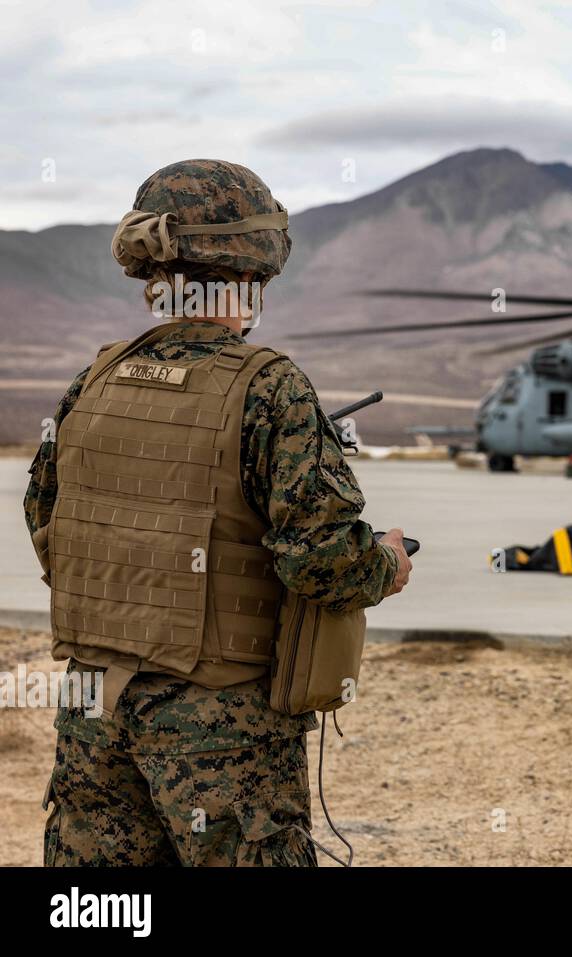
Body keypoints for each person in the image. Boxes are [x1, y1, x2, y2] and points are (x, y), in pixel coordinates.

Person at [25, 159, 413, 866]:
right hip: (220, 729)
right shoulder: (272, 389)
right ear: (247, 272)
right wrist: (384, 561)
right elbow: (321, 561)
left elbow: (47, 524)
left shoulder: (97, 377)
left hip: (91, 710)